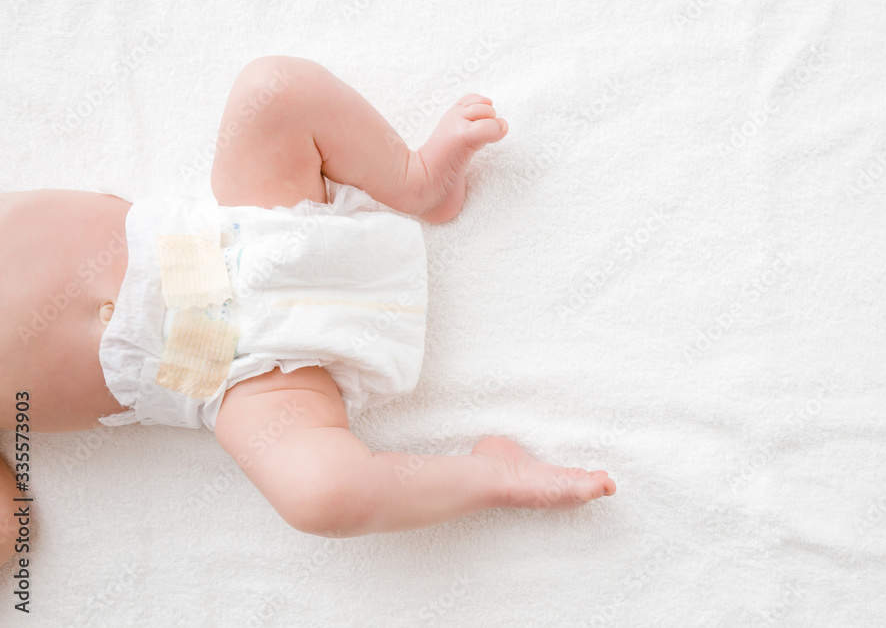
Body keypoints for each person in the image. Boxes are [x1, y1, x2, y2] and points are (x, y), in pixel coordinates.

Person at [0, 56, 616, 561]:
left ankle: (416, 179)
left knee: (274, 90)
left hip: (235, 234)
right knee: (322, 498)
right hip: (232, 379)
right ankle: (495, 478)